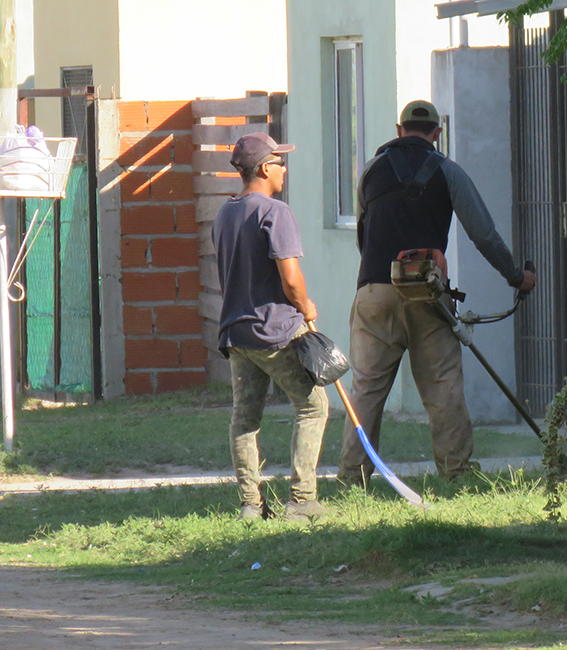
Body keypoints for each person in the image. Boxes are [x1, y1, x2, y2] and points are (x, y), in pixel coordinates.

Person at [339, 99, 536, 486]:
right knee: (443, 386)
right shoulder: (448, 171)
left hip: (374, 290)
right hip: (427, 293)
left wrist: (382, 278)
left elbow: (364, 234)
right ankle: (456, 472)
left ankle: (351, 476)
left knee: (365, 389)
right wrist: (516, 277)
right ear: (437, 133)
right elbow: (484, 235)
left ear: (399, 131)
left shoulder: (369, 172)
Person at [213, 132, 329, 522]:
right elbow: (290, 278)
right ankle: (301, 500)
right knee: (313, 405)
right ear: (264, 168)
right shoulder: (275, 212)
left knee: (245, 417)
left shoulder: (226, 212)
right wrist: (305, 304)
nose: (285, 168)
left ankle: (250, 504)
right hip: (275, 331)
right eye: (280, 162)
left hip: (236, 331)